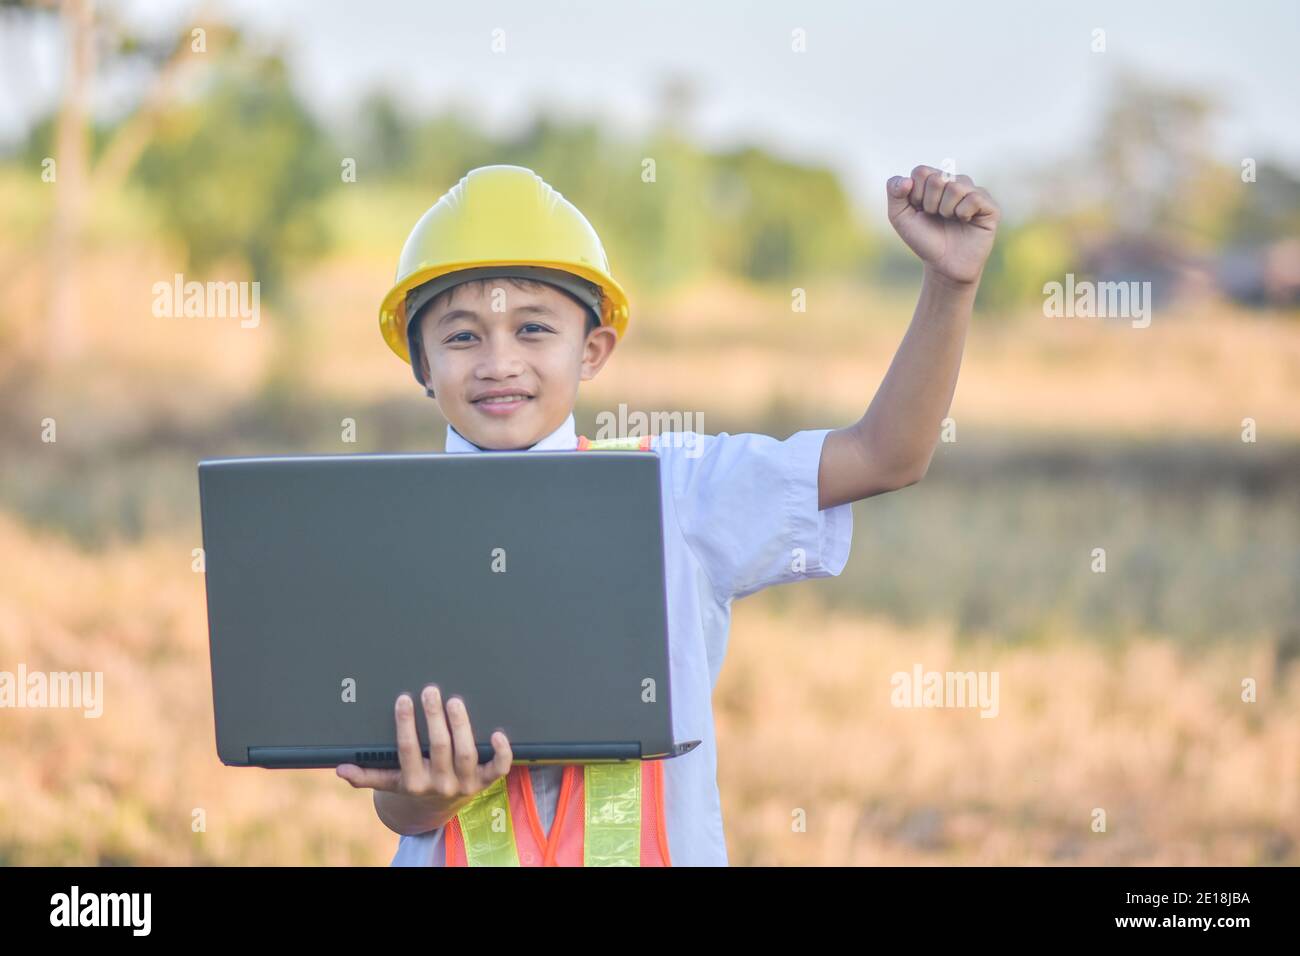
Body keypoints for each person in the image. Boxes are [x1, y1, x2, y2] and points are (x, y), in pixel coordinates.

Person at [335, 163, 1000, 865]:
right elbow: (398, 802)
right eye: (463, 336)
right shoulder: (391, 531)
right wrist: (431, 794)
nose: (500, 361)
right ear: (420, 363)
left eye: (533, 329)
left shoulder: (676, 487)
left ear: (594, 350)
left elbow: (886, 455)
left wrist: (950, 285)